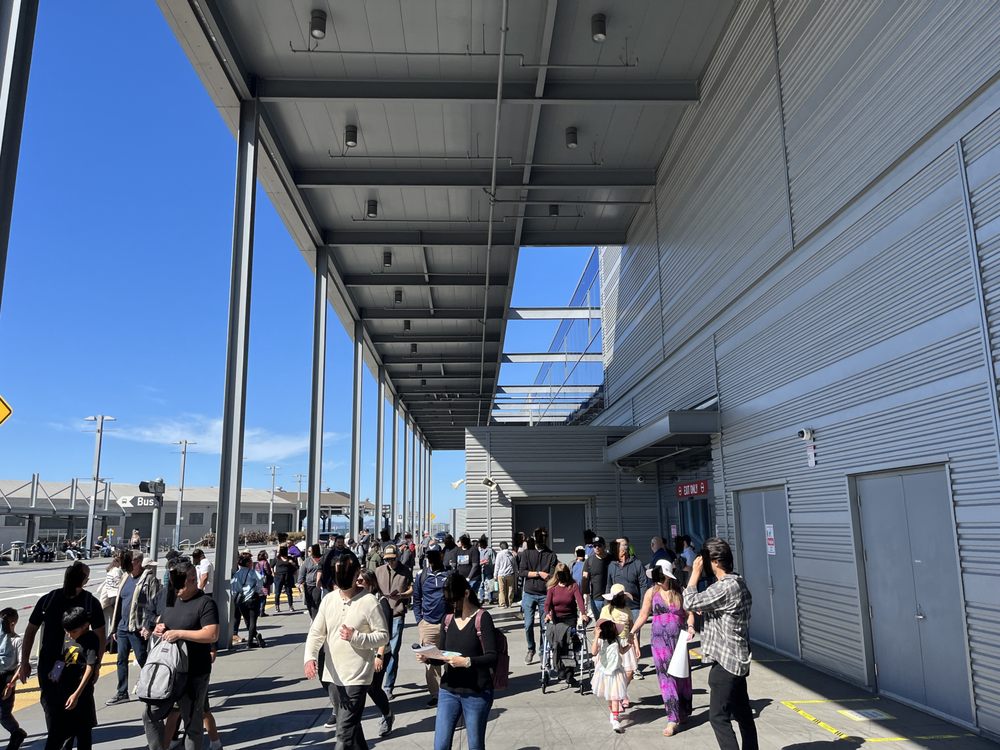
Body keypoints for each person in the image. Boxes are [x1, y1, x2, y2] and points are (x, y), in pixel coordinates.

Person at [303, 551, 388, 750]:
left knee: (343, 733)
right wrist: (309, 657)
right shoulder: (329, 600)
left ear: (357, 573)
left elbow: (383, 636)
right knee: (352, 727)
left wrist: (356, 637)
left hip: (357, 676)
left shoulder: (369, 602)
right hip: (333, 675)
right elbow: (316, 633)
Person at [16, 561, 106, 738]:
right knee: (59, 708)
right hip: (60, 665)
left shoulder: (51, 599)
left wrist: (24, 661)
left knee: (61, 708)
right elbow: (101, 636)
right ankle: (60, 737)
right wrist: (97, 665)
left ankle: (60, 737)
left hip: (66, 665)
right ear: (84, 581)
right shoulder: (86, 602)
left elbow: (30, 630)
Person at [683, 538, 757, 750]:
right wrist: (706, 608)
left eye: (705, 560)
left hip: (725, 660)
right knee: (743, 714)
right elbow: (716, 605)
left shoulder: (726, 586)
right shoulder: (738, 581)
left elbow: (689, 601)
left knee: (717, 717)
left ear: (714, 561)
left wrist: (694, 575)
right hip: (738, 658)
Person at [143, 560, 220, 750]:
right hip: (170, 671)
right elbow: (160, 620)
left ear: (193, 580)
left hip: (195, 672)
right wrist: (158, 627)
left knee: (192, 724)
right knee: (150, 714)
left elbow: (211, 633)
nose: (176, 589)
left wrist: (180, 633)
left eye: (180, 585)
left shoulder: (205, 603)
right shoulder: (172, 599)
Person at [417, 573, 497, 750]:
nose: (453, 604)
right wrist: (429, 657)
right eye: (449, 601)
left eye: (455, 600)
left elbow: (492, 656)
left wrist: (467, 661)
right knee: (441, 745)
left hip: (476, 691)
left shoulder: (482, 618)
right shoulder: (447, 620)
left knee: (475, 745)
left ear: (467, 593)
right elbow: (444, 655)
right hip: (449, 690)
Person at [632, 560, 694, 736]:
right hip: (659, 642)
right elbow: (643, 615)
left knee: (681, 676)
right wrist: (632, 632)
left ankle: (682, 712)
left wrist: (690, 627)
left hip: (679, 641)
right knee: (667, 678)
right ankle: (672, 718)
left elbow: (689, 614)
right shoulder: (651, 592)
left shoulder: (678, 591)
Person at [106, 552, 160, 705]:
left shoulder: (149, 580)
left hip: (138, 627)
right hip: (123, 626)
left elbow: (153, 603)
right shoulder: (125, 577)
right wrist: (114, 628)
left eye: (130, 561)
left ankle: (155, 686)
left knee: (142, 658)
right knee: (121, 659)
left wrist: (148, 626)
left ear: (138, 562)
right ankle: (122, 692)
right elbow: (119, 603)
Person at [43, 606, 100, 750]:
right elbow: (62, 658)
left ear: (85, 625)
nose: (69, 635)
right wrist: (55, 674)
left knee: (83, 733)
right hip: (64, 690)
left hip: (81, 693)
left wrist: (77, 694)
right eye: (66, 631)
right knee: (63, 733)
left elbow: (90, 666)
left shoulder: (91, 638)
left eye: (73, 631)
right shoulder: (68, 636)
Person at [411, 543, 450, 707]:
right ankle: (436, 694)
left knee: (449, 658)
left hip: (448, 623)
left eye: (435, 554)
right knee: (431, 662)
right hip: (428, 624)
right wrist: (420, 620)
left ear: (441, 555)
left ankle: (451, 692)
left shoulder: (450, 574)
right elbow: (417, 599)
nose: (433, 558)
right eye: (430, 555)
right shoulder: (422, 576)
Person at [358, 571, 395, 738]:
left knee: (373, 688)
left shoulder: (381, 602)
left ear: (370, 583)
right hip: (363, 651)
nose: (357, 583)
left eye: (361, 581)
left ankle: (387, 715)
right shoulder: (360, 600)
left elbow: (385, 632)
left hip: (380, 653)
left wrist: (379, 655)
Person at [373, 544, 412, 700]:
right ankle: (377, 682)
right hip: (380, 614)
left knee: (393, 651)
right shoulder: (379, 571)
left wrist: (402, 595)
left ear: (398, 557)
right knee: (380, 651)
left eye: (393, 559)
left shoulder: (405, 571)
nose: (390, 562)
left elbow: (412, 588)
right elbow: (372, 588)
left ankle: (388, 686)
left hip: (397, 613)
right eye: (388, 560)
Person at [607, 537, 648, 678]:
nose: (619, 547)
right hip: (617, 608)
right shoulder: (612, 565)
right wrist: (608, 606)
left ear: (624, 549)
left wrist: (644, 605)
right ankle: (619, 664)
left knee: (634, 635)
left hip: (635, 606)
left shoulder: (637, 564)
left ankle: (634, 667)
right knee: (618, 636)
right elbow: (609, 585)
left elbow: (643, 584)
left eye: (621, 545)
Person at [543, 563, 588, 685]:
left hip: (570, 619)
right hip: (557, 619)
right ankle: (561, 669)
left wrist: (583, 613)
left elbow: (579, 601)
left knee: (570, 645)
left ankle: (569, 673)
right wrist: (547, 614)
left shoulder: (573, 586)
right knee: (559, 644)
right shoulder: (552, 588)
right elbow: (547, 604)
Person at [518, 527, 557, 664]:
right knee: (528, 624)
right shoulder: (527, 553)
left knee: (543, 625)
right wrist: (539, 573)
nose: (543, 539)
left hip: (544, 595)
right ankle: (531, 648)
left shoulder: (551, 555)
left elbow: (552, 576)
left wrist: (545, 576)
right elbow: (522, 572)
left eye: (545, 536)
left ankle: (542, 650)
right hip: (529, 593)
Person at [591, 618, 632, 734]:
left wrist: (630, 645)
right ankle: (612, 713)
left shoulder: (617, 640)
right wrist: (596, 636)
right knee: (610, 697)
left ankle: (615, 719)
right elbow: (593, 652)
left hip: (616, 672)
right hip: (604, 672)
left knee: (615, 697)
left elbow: (622, 651)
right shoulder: (600, 641)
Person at [599, 584, 638, 699]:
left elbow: (632, 629)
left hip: (626, 642)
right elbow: (601, 627)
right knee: (615, 672)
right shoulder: (606, 610)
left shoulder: (627, 610)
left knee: (629, 671)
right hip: (612, 643)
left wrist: (636, 645)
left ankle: (621, 691)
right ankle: (618, 696)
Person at [0, 608, 27, 750]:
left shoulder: (16, 641)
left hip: (6, 678)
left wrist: (10, 685)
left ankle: (17, 733)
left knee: (3, 714)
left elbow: (21, 664)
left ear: (12, 623)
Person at [231, 552, 265, 649]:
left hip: (241, 600)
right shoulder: (252, 572)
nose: (252, 563)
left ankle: (255, 637)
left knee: (247, 621)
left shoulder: (236, 574)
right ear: (247, 563)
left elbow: (234, 588)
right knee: (253, 620)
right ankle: (250, 641)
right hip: (252, 598)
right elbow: (260, 580)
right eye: (250, 561)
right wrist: (257, 590)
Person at [582, 537, 610, 621]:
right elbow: (585, 579)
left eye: (599, 545)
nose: (597, 547)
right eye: (595, 546)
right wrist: (585, 597)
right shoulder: (589, 561)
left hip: (610, 598)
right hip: (596, 599)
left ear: (604, 546)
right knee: (599, 623)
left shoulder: (611, 559)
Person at [98, 551, 126, 635]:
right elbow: (118, 584)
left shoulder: (110, 570)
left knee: (110, 619)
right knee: (116, 619)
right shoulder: (117, 571)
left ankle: (110, 635)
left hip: (109, 596)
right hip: (115, 596)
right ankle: (113, 636)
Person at [298, 544, 324, 619]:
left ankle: (315, 619)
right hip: (308, 584)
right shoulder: (307, 561)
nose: (309, 553)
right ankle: (313, 617)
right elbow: (302, 572)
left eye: (310, 551)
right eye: (308, 551)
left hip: (318, 585)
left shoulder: (322, 559)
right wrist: (300, 582)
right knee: (309, 603)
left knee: (316, 601)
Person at [272, 545, 297, 612]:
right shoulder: (277, 558)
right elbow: (272, 566)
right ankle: (277, 606)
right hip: (278, 577)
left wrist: (292, 563)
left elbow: (295, 566)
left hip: (287, 577)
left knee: (289, 592)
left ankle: (291, 606)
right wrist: (273, 573)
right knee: (277, 592)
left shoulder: (290, 558)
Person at [493, 542, 516, 609]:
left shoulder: (499, 554)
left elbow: (497, 565)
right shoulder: (511, 554)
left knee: (502, 590)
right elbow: (514, 565)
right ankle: (509, 603)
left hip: (501, 574)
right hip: (510, 574)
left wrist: (495, 575)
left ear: (501, 547)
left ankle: (502, 604)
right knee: (510, 589)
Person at [477, 536, 495, 605]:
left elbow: (493, 561)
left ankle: (490, 599)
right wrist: (481, 563)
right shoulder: (478, 551)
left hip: (489, 570)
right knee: (481, 585)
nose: (480, 545)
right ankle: (481, 599)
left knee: (490, 584)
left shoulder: (490, 551)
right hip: (481, 570)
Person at [254, 551, 273, 617]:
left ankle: (258, 611)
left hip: (258, 582)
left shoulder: (257, 563)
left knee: (259, 597)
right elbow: (268, 571)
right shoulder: (265, 562)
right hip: (264, 582)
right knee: (263, 597)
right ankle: (262, 611)